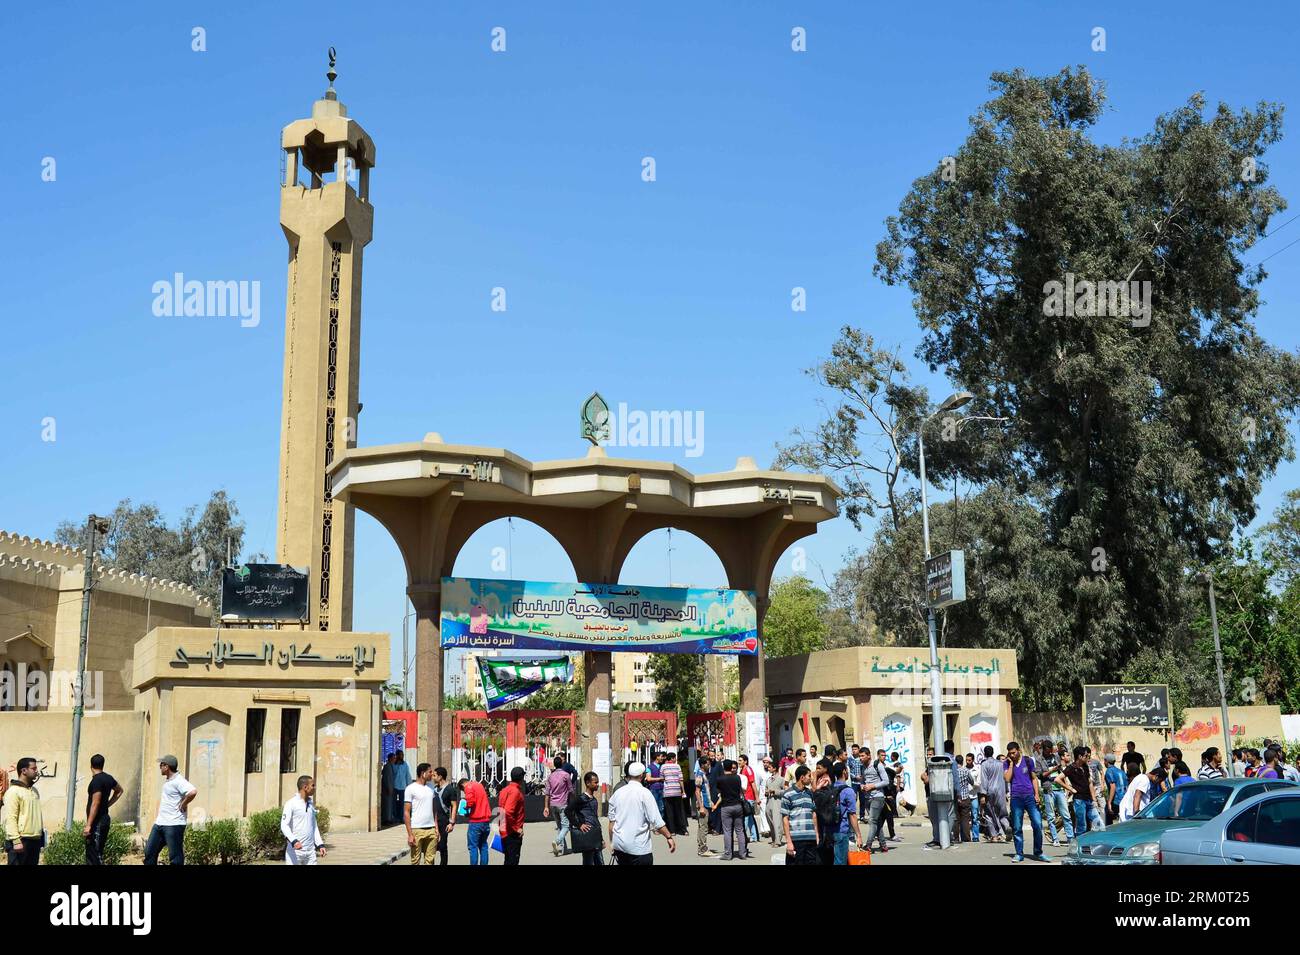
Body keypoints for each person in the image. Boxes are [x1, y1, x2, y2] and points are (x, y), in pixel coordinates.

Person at [607, 761, 676, 865]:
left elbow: (612, 823)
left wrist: (612, 843)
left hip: (620, 846)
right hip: (638, 848)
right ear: (641, 775)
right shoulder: (645, 793)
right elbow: (656, 821)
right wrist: (668, 837)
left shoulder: (617, 793)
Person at [143, 755, 197, 865]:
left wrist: (184, 803)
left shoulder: (178, 780)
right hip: (160, 823)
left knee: (175, 857)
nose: (160, 767)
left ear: (167, 767)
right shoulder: (169, 781)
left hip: (174, 824)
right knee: (149, 852)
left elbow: (192, 791)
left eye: (161, 765)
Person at [1004, 741, 1049, 863]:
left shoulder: (1028, 761)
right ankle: (1019, 853)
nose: (1012, 755)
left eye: (1013, 753)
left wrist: (1036, 794)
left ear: (1018, 750)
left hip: (1029, 797)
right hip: (1016, 798)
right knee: (1017, 827)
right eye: (1010, 753)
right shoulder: (1007, 763)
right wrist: (1012, 764)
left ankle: (1038, 852)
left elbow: (1034, 779)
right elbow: (1007, 779)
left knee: (1037, 824)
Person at [3, 757, 43, 866]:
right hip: (20, 841)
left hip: (34, 841)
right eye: (33, 768)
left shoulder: (34, 791)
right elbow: (11, 817)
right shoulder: (13, 792)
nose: (36, 771)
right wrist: (16, 841)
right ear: (24, 771)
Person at [83, 752, 123, 865]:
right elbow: (119, 791)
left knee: (95, 855)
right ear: (102, 765)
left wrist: (89, 825)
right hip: (103, 819)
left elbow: (96, 803)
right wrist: (108, 804)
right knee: (94, 853)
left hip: (98, 822)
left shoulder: (96, 781)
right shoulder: (108, 778)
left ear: (91, 766)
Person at [281, 774, 326, 865]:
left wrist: (320, 844)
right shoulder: (291, 804)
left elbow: (314, 826)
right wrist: (294, 841)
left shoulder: (310, 804)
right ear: (305, 787)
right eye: (312, 785)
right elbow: (284, 825)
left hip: (310, 852)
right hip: (295, 852)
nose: (315, 787)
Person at [781, 765, 820, 864]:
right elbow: (785, 819)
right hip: (796, 839)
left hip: (810, 838)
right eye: (809, 776)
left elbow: (813, 815)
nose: (811, 778)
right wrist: (789, 842)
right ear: (802, 778)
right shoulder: (788, 794)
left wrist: (816, 835)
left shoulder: (809, 793)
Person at [712, 758, 749, 861]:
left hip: (726, 806)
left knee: (727, 831)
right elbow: (740, 790)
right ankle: (743, 853)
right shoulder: (737, 778)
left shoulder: (720, 779)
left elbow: (719, 790)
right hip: (737, 806)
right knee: (740, 830)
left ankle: (728, 854)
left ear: (724, 767)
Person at [1038, 742, 1074, 846]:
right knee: (1051, 817)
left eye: (1051, 751)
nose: (1050, 753)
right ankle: (1055, 839)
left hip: (1059, 789)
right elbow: (1040, 775)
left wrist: (1066, 786)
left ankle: (1070, 838)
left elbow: (1063, 772)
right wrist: (1052, 770)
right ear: (1044, 750)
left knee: (1066, 815)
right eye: (1047, 751)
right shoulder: (1039, 760)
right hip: (1048, 790)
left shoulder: (1056, 757)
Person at [403, 762, 439, 865]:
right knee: (415, 861)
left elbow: (434, 809)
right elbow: (406, 812)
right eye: (430, 772)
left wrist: (436, 827)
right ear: (423, 773)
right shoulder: (410, 789)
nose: (432, 774)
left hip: (431, 829)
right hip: (417, 830)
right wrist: (410, 834)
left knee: (430, 861)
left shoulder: (431, 787)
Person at [1060, 745, 1099, 839]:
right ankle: (1079, 846)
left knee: (1098, 823)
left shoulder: (1085, 766)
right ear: (1080, 757)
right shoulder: (1071, 768)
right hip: (1079, 800)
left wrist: (1094, 800)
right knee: (1082, 826)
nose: (1088, 758)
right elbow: (1058, 779)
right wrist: (1070, 789)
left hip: (1089, 799)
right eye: (1086, 756)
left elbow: (1090, 783)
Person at [567, 771, 605, 865]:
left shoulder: (594, 799)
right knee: (588, 861)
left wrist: (601, 839)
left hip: (596, 835)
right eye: (595, 782)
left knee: (600, 861)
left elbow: (595, 819)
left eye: (598, 782)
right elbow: (567, 811)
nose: (597, 785)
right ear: (588, 783)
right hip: (587, 835)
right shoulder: (580, 798)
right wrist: (579, 825)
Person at [456, 776, 493, 865]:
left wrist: (466, 807)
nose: (464, 792)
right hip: (486, 821)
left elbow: (471, 801)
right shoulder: (479, 785)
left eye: (462, 790)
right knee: (483, 846)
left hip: (476, 822)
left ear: (462, 785)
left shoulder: (468, 787)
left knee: (473, 847)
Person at [859, 750, 890, 853]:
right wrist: (862, 786)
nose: (861, 758)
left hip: (878, 797)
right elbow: (862, 781)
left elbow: (886, 781)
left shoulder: (878, 765)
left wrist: (873, 786)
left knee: (872, 821)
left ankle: (868, 845)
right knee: (877, 822)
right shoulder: (862, 767)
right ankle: (884, 846)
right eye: (860, 756)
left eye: (863, 756)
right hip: (867, 797)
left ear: (869, 756)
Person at [832, 761, 863, 864]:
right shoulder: (848, 791)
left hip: (829, 830)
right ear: (844, 771)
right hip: (842, 829)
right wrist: (858, 835)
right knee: (840, 861)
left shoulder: (830, 788)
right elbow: (852, 815)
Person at [544, 755, 574, 856]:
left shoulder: (550, 777)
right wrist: (574, 803)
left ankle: (563, 848)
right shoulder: (566, 775)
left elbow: (547, 793)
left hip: (552, 804)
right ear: (562, 764)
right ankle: (557, 841)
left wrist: (546, 807)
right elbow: (571, 790)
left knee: (560, 826)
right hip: (562, 804)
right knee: (566, 826)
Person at [978, 745, 1008, 842]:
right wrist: (1006, 790)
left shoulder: (984, 764)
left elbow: (984, 779)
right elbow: (1005, 778)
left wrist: (983, 794)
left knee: (989, 813)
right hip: (1000, 790)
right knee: (1002, 812)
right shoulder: (1000, 764)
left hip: (989, 791)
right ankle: (1006, 827)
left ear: (984, 753)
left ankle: (994, 835)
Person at [498, 766, 527, 865]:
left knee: (508, 859)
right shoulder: (515, 792)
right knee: (513, 860)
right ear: (521, 778)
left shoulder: (505, 790)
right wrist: (516, 828)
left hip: (505, 830)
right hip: (511, 833)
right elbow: (508, 812)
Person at [693, 755, 718, 858]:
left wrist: (710, 802)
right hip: (703, 804)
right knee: (703, 827)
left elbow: (706, 791)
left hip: (706, 803)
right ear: (703, 765)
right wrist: (701, 806)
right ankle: (703, 849)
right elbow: (697, 791)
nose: (709, 765)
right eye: (707, 764)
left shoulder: (704, 774)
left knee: (702, 826)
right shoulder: (699, 775)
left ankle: (702, 847)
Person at [433, 767, 455, 865]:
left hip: (444, 821)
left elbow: (454, 806)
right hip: (433, 822)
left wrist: (451, 822)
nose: (433, 777)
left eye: (434, 775)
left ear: (440, 776)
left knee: (442, 846)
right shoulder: (434, 789)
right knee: (432, 847)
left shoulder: (450, 789)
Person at [661, 751, 687, 835]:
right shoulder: (677, 766)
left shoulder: (663, 767)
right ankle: (683, 830)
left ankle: (672, 831)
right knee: (679, 811)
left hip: (667, 792)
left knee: (669, 812)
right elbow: (681, 779)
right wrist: (683, 791)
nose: (676, 759)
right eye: (674, 758)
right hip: (677, 792)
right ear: (672, 758)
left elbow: (662, 778)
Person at [763, 756, 784, 847]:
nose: (768, 768)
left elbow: (785, 791)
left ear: (774, 768)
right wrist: (766, 793)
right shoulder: (768, 779)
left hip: (777, 803)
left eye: (770, 767)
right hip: (769, 802)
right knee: (770, 821)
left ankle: (778, 841)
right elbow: (766, 789)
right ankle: (774, 839)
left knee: (777, 822)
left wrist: (775, 792)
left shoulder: (781, 779)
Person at [738, 754, 759, 842]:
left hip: (749, 797)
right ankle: (754, 836)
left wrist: (757, 797)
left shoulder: (748, 770)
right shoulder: (742, 770)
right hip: (744, 796)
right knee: (750, 817)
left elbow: (753, 784)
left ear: (745, 761)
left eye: (740, 760)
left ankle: (743, 835)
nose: (739, 762)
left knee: (745, 817)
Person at [1103, 754, 1127, 825]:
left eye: (1104, 761)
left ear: (1107, 761)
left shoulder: (1109, 771)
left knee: (1108, 818)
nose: (1104, 762)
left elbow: (1113, 787)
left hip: (1116, 800)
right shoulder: (1121, 771)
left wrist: (1109, 802)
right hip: (1124, 798)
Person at [391, 751, 412, 827]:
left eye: (402, 755)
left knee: (402, 803)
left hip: (403, 787)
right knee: (393, 803)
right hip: (394, 786)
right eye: (400, 755)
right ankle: (394, 817)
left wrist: (409, 786)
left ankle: (402, 817)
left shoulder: (405, 764)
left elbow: (407, 775)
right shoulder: (393, 764)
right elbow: (392, 774)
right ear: (397, 756)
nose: (401, 756)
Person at [380, 752, 397, 825]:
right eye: (393, 758)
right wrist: (389, 788)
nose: (395, 759)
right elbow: (387, 779)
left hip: (390, 788)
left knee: (389, 805)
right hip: (387, 789)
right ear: (390, 758)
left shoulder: (391, 766)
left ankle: (389, 818)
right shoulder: (387, 767)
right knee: (387, 805)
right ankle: (386, 819)